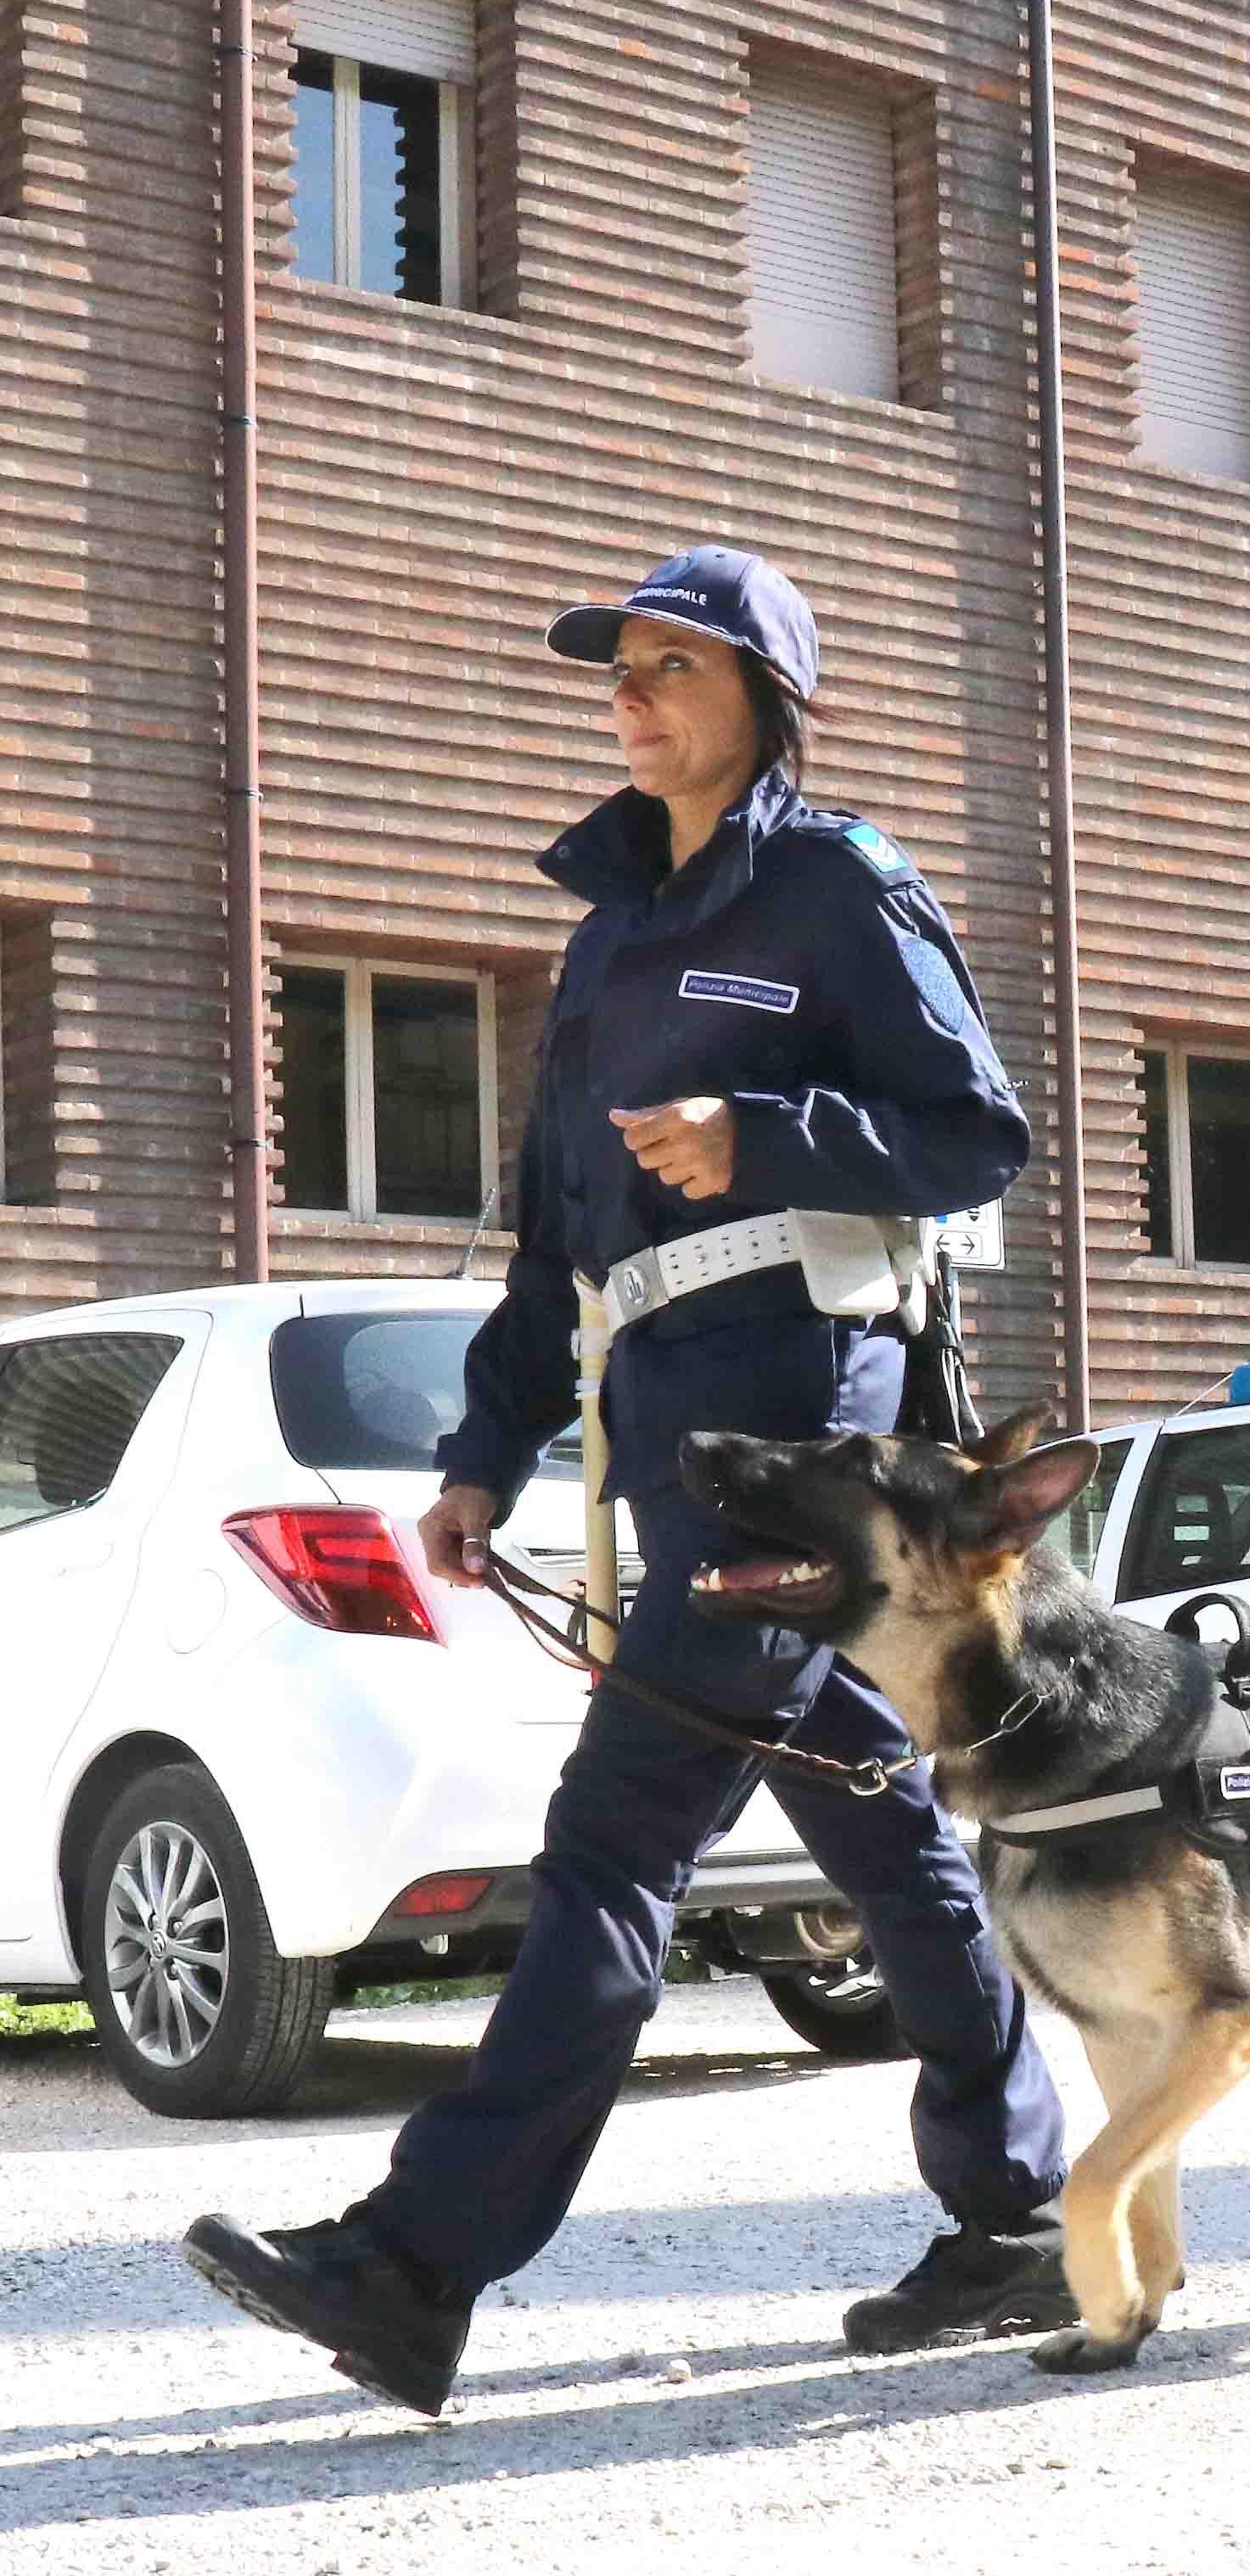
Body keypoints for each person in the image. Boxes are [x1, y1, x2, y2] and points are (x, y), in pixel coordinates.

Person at [182, 546, 1074, 2416]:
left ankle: (419, 2262)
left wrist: (765, 1131)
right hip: (659, 1419)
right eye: (622, 669)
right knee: (869, 1808)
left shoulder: (837, 882)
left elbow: (977, 1130)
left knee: (614, 1837)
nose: (633, 695)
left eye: (677, 666)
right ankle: (1017, 2214)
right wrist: (485, 1451)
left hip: (804, 1445)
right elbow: (554, 1238)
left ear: (767, 697)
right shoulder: (604, 934)